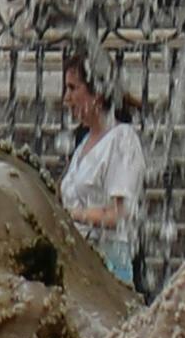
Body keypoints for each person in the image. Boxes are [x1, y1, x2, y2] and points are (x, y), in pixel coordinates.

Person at [52, 49, 149, 278]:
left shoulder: (122, 139)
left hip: (108, 266)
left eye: (73, 88)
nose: (66, 98)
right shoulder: (83, 141)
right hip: (76, 260)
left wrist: (72, 214)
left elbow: (120, 215)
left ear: (96, 93)